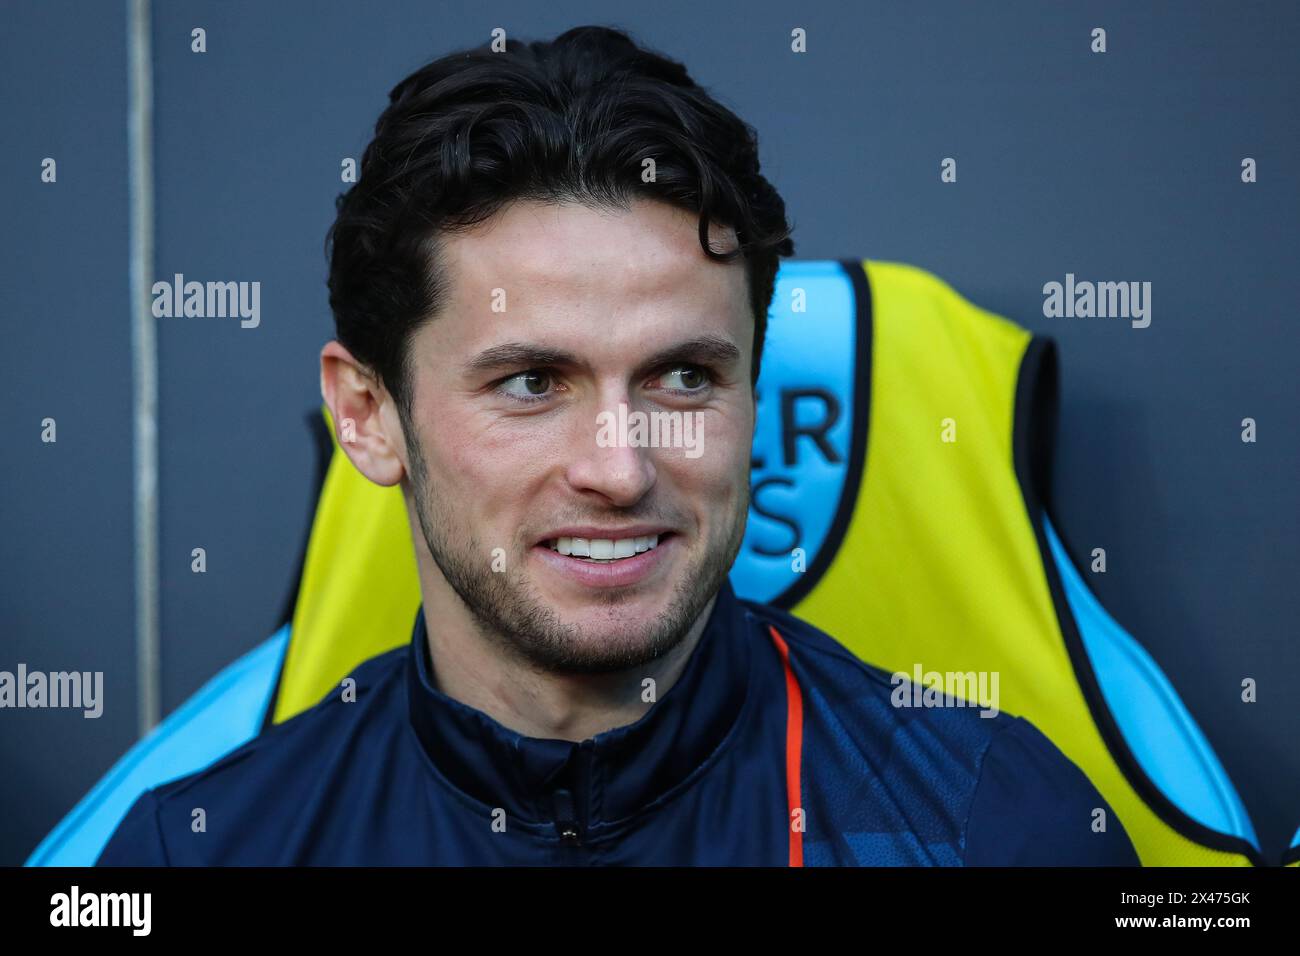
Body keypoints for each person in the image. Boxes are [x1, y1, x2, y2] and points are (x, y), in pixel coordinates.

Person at [97, 25, 1139, 866]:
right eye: (530, 383)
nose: (620, 466)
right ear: (368, 415)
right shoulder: (196, 851)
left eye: (684, 375)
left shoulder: (994, 825)